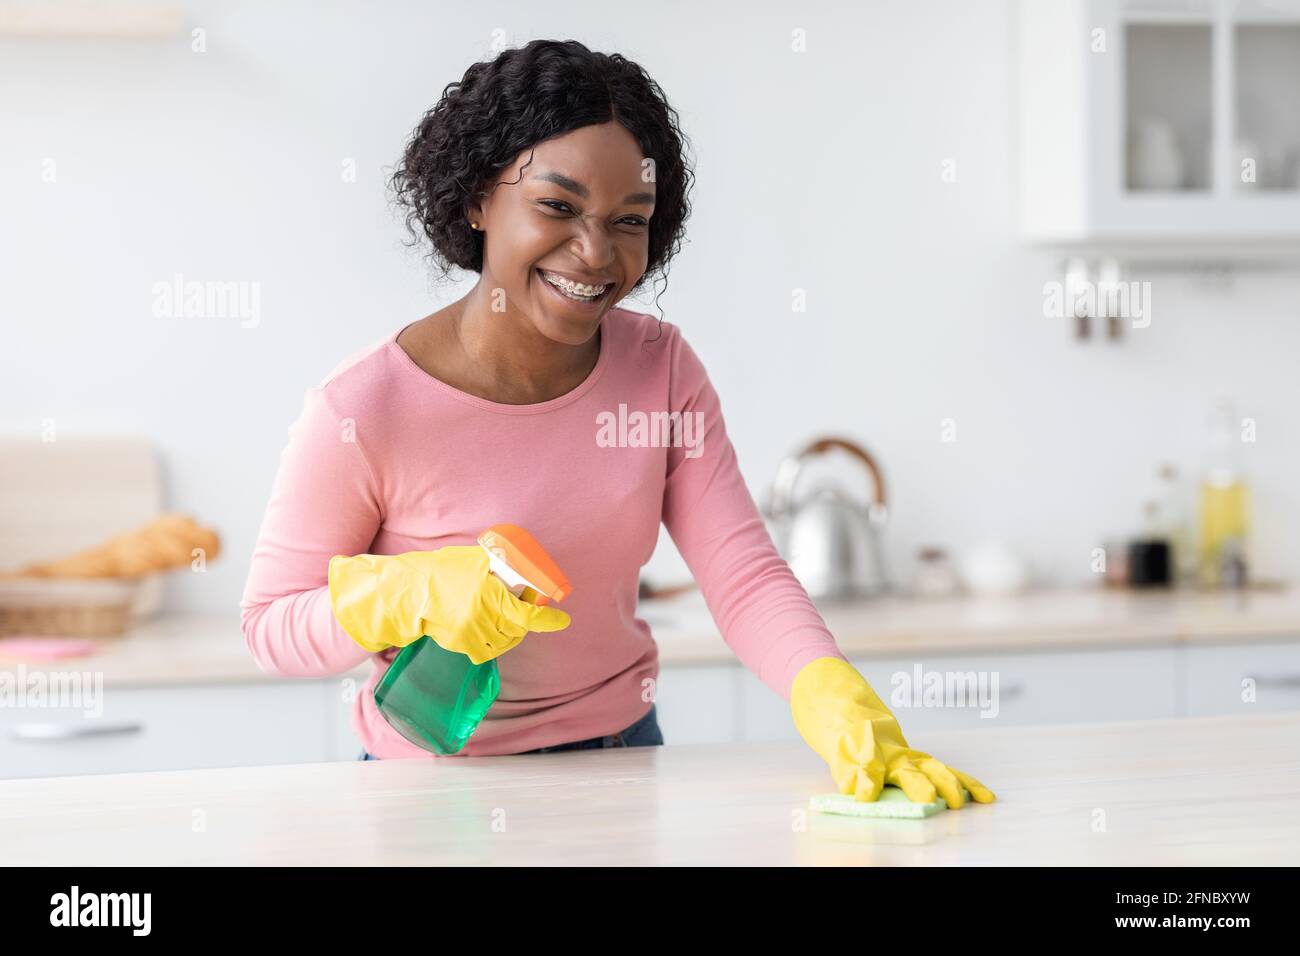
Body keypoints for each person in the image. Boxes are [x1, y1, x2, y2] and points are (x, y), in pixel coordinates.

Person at [240, 38, 994, 808]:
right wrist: (398, 593)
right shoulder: (363, 410)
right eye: (557, 207)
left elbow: (743, 578)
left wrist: (833, 698)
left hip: (623, 765)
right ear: (476, 198)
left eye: (627, 219)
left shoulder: (659, 368)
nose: (595, 253)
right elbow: (269, 625)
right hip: (430, 794)